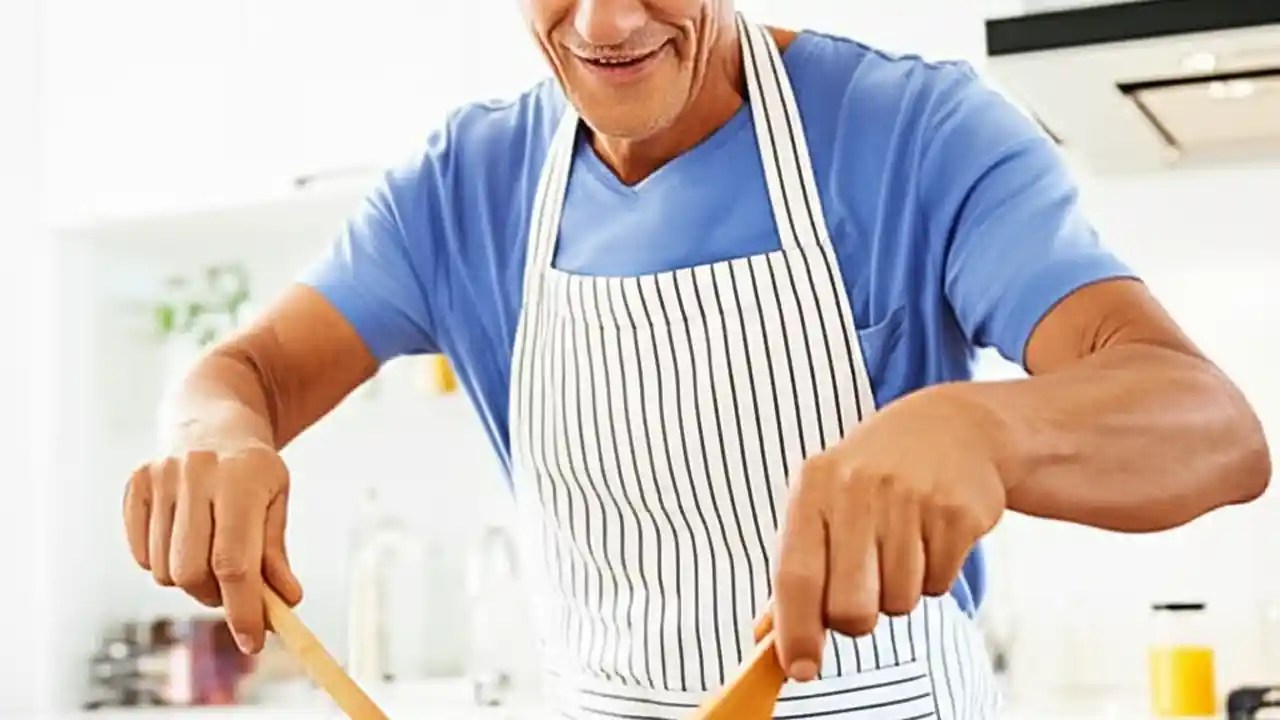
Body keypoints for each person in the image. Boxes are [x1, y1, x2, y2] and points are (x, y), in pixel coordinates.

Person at [122, 1, 1271, 716]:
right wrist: (207, 439)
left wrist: (984, 429)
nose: (606, 23)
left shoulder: (915, 136)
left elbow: (1211, 430)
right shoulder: (463, 184)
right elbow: (246, 376)